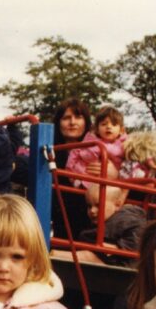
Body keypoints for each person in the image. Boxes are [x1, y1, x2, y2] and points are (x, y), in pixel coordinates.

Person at [50, 98, 92, 242]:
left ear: (86, 122)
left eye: (78, 117)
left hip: (88, 219)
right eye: (66, 118)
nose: (72, 122)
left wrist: (112, 171)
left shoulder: (98, 151)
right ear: (58, 123)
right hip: (58, 219)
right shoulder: (49, 151)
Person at [76, 184, 148, 266]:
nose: (92, 210)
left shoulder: (129, 220)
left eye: (98, 205)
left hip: (122, 265)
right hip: (108, 261)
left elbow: (136, 242)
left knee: (86, 256)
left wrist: (118, 248)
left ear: (117, 205)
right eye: (89, 206)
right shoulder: (105, 221)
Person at [65, 104, 126, 187]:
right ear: (97, 129)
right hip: (88, 176)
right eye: (104, 124)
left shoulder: (124, 145)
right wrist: (70, 171)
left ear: (121, 130)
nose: (108, 127)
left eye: (114, 124)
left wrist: (117, 174)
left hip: (112, 181)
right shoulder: (91, 140)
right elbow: (80, 153)